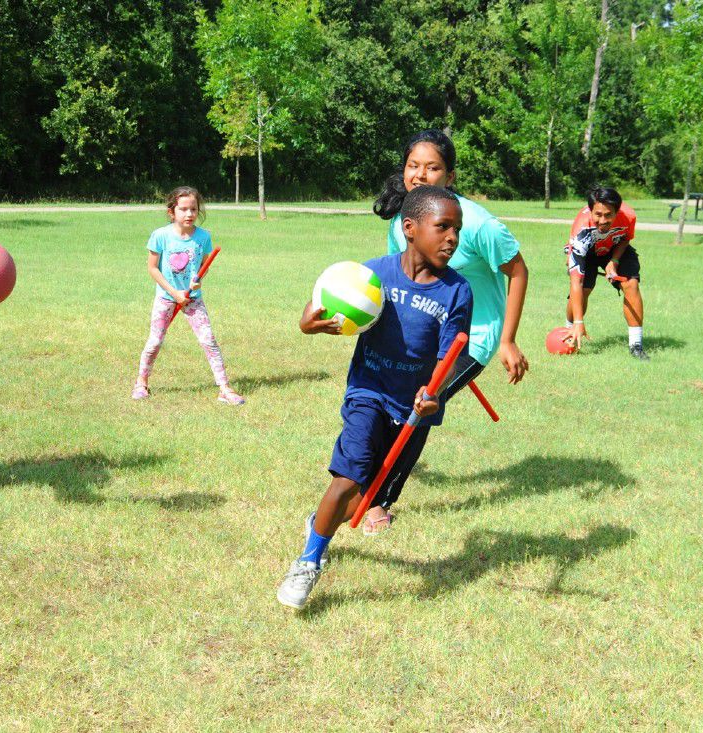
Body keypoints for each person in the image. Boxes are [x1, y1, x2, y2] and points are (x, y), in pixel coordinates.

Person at [276, 185, 473, 610]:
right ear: (410, 228)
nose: (452, 237)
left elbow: (451, 355)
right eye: (442, 227)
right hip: (369, 392)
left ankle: (321, 524)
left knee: (362, 503)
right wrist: (308, 325)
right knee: (347, 477)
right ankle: (309, 560)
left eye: (457, 229)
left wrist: (435, 393)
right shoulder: (371, 276)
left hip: (413, 412)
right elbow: (323, 313)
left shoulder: (457, 292)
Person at [368, 128, 529, 533]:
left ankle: (380, 500)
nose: (420, 174)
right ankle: (366, 469)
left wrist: (507, 340)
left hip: (470, 337)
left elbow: (518, 270)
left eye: (433, 167)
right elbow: (402, 282)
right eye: (413, 165)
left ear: (450, 176)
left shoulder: (478, 225)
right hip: (422, 328)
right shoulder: (404, 220)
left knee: (417, 408)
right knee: (385, 400)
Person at [132, 186, 245, 405]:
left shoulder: (203, 237)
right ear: (172, 212)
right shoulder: (161, 236)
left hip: (193, 299)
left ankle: (224, 388)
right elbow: (153, 268)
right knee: (155, 341)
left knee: (208, 340)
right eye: (183, 209)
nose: (189, 214)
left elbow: (204, 265)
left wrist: (198, 280)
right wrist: (174, 293)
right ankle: (141, 383)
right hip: (166, 297)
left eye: (193, 209)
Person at [563, 186, 649, 361]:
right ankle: (568, 332)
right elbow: (576, 283)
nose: (603, 220)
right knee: (583, 289)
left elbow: (625, 238)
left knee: (631, 283)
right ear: (591, 211)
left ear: (617, 212)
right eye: (598, 215)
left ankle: (636, 345)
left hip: (614, 247)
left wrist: (614, 261)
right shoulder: (582, 229)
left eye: (608, 215)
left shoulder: (629, 216)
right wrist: (580, 322)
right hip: (587, 251)